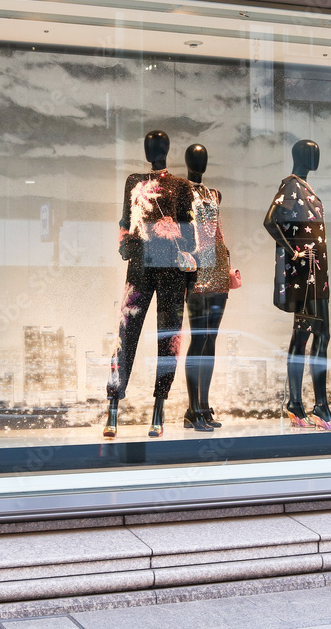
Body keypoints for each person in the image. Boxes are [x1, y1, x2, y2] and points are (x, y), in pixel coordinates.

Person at [105, 130, 196, 438]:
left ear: (167, 148)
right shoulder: (134, 181)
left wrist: (176, 232)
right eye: (147, 143)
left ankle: (159, 408)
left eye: (156, 144)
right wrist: (124, 245)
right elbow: (124, 220)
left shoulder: (182, 186)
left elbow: (193, 236)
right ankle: (113, 406)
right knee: (126, 334)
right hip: (141, 266)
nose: (151, 147)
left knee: (168, 341)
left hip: (171, 269)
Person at [263, 139, 331, 430]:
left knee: (308, 335)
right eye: (312, 151)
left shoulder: (302, 187)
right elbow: (271, 220)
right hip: (307, 274)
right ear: (301, 155)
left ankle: (297, 405)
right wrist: (294, 250)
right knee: (318, 335)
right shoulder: (292, 185)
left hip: (315, 274)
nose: (317, 156)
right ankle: (320, 407)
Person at [183, 144, 230, 433]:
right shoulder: (180, 192)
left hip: (218, 271)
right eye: (196, 157)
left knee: (210, 340)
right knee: (198, 339)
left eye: (204, 157)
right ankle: (192, 409)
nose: (201, 162)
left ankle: (203, 405)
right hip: (196, 271)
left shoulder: (214, 194)